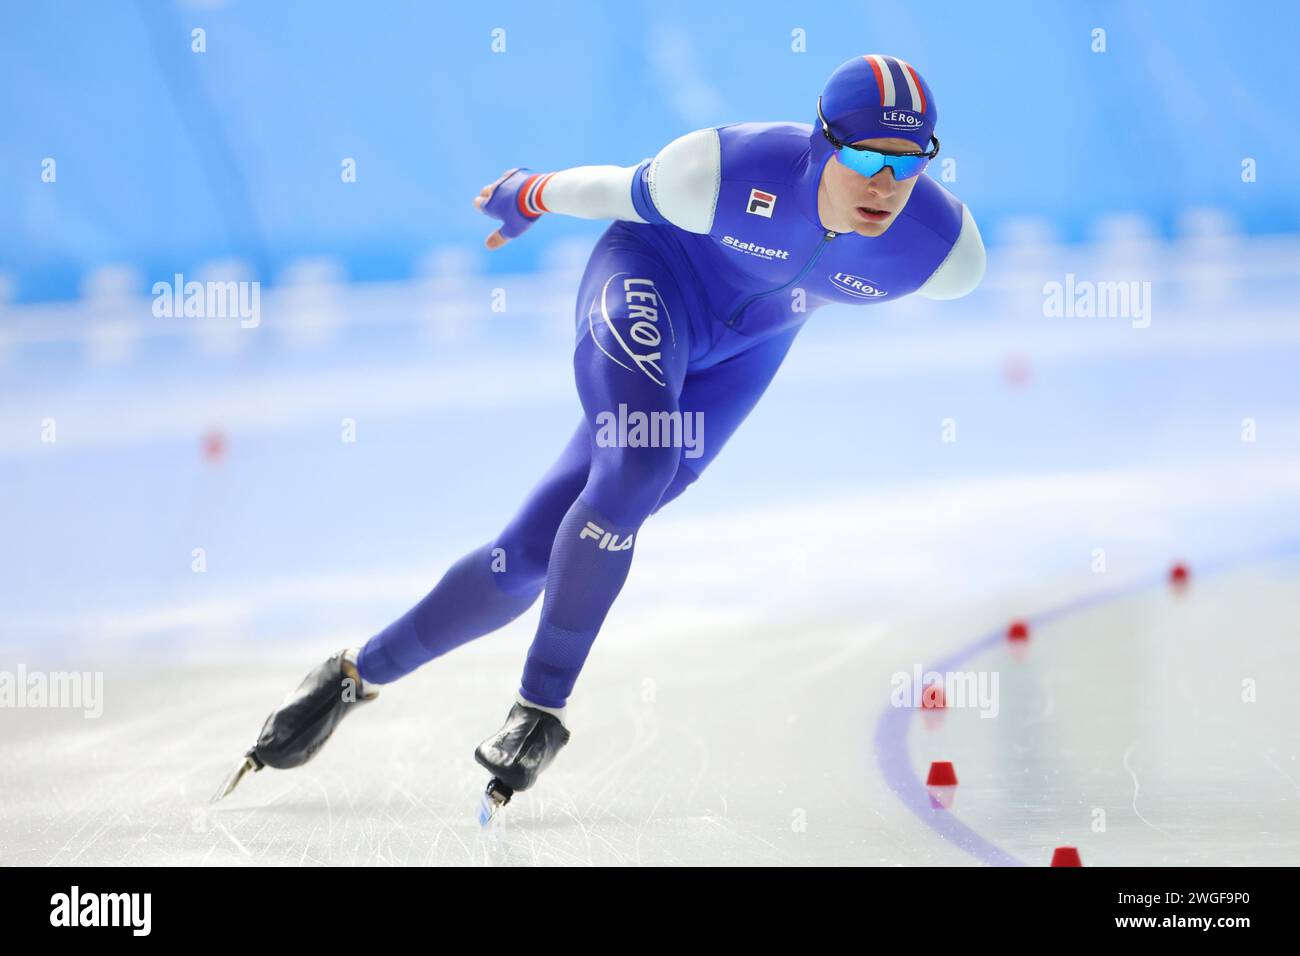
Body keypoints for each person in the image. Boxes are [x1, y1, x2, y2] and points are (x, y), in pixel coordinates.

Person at [214, 54, 986, 817]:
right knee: (638, 463)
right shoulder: (725, 170)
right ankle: (539, 712)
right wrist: (529, 194)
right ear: (820, 142)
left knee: (523, 556)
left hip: (749, 351)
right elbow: (610, 187)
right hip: (650, 279)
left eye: (909, 161)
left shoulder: (944, 253)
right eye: (864, 156)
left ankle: (353, 673)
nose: (886, 184)